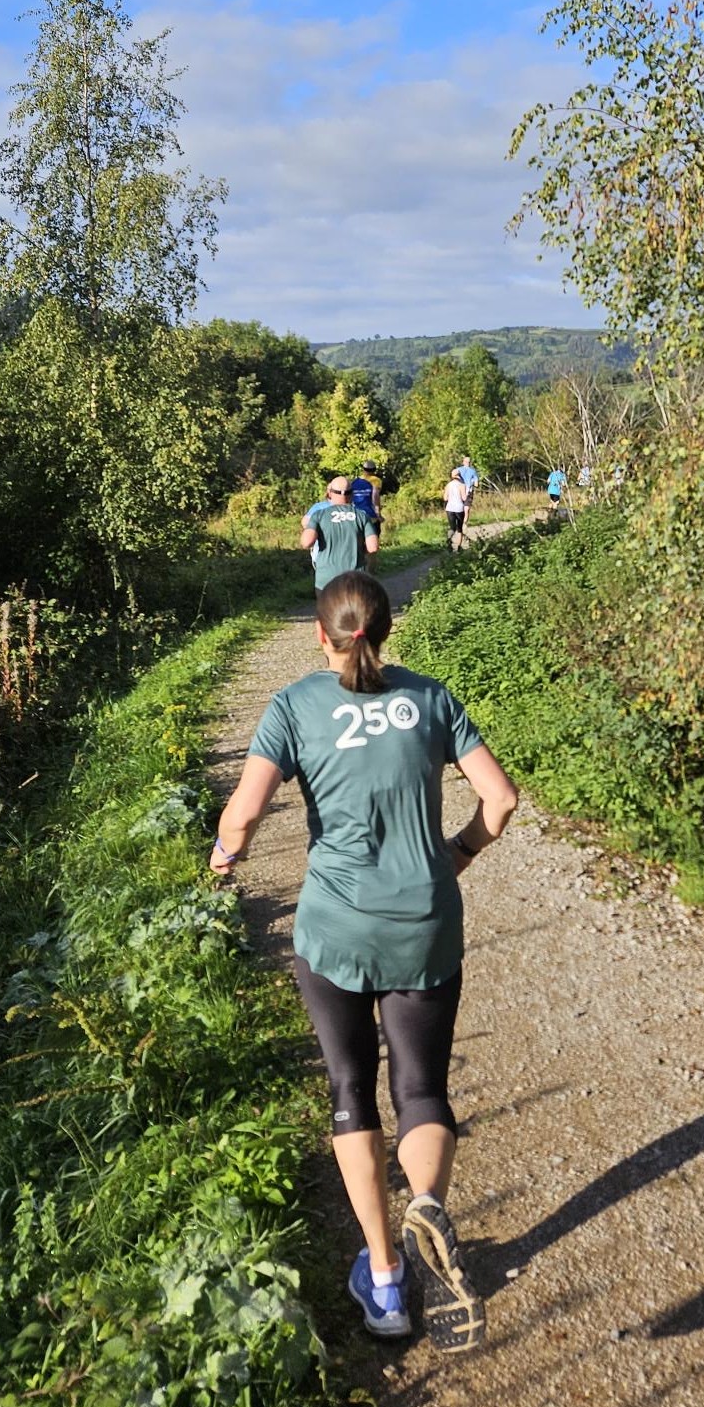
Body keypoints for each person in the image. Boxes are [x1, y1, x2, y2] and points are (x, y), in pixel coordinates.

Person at [210, 570, 518, 1352]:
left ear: (323, 635)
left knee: (351, 1088)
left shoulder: (294, 706)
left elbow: (245, 814)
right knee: (420, 1087)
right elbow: (501, 800)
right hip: (424, 924)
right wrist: (459, 854)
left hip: (336, 929)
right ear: (385, 631)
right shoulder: (432, 698)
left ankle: (385, 1279)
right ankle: (427, 1205)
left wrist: (224, 855)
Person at [303, 478, 379, 591]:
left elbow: (306, 542)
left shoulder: (318, 515)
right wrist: (360, 550)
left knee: (326, 609)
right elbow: (373, 547)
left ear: (330, 493)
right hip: (356, 577)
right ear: (352, 494)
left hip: (326, 581)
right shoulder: (362, 516)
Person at [348, 460, 383, 530]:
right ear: (374, 470)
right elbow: (375, 497)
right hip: (370, 515)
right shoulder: (376, 480)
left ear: (363, 469)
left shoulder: (355, 482)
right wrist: (378, 514)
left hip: (356, 514)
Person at [443, 471, 469, 550]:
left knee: (452, 527)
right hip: (459, 508)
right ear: (459, 476)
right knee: (459, 528)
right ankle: (458, 547)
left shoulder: (448, 485)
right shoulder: (462, 485)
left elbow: (445, 498)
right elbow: (464, 498)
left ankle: (448, 542)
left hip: (450, 508)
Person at [452, 455, 478, 522]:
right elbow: (476, 483)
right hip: (464, 491)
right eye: (467, 462)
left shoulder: (471, 471)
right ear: (463, 462)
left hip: (464, 491)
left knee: (463, 508)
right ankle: (462, 523)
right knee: (465, 509)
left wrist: (458, 478)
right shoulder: (462, 470)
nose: (468, 463)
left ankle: (462, 524)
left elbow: (453, 474)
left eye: (468, 462)